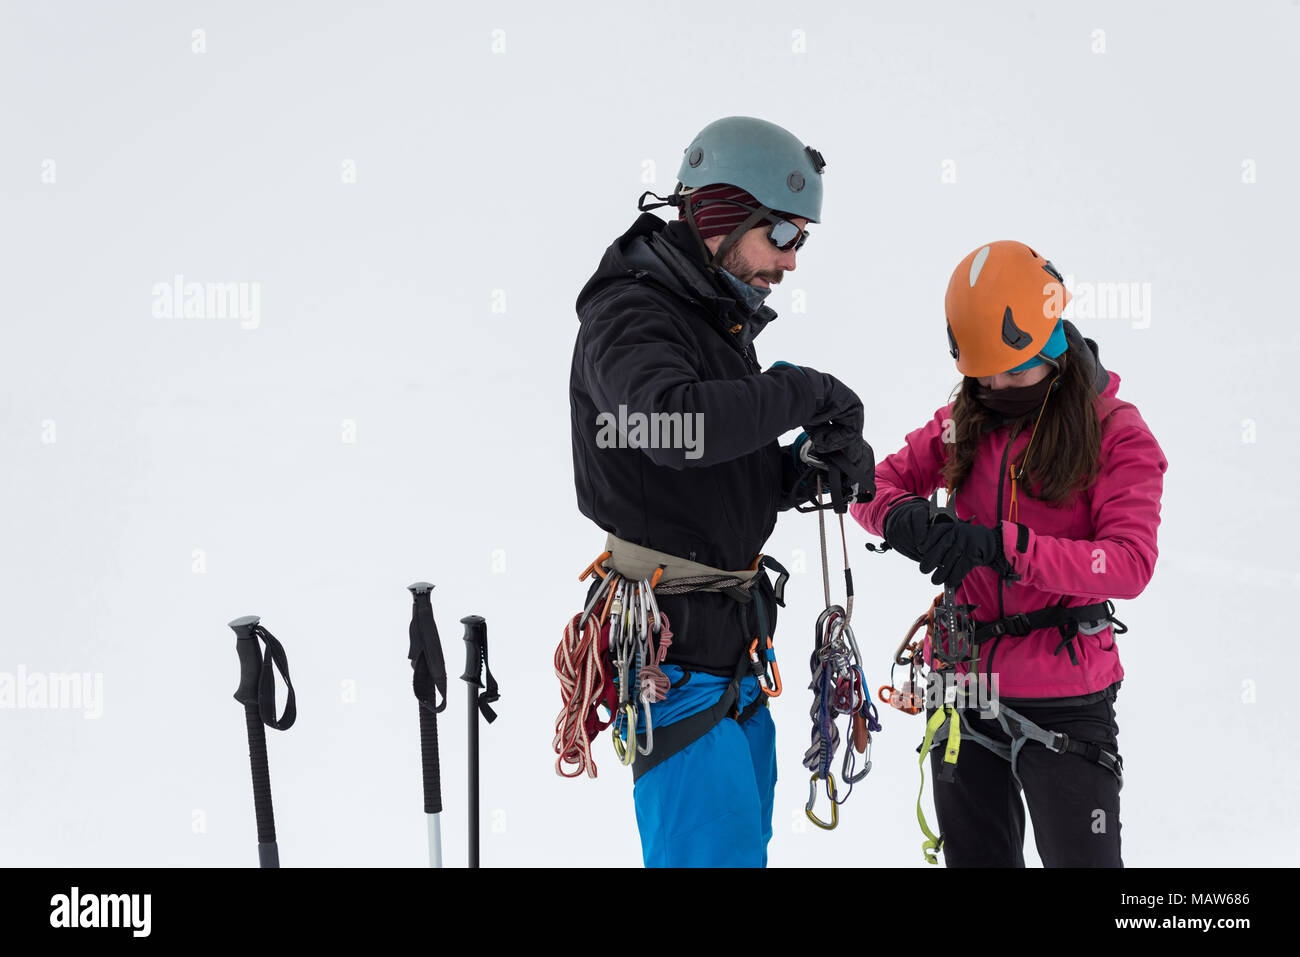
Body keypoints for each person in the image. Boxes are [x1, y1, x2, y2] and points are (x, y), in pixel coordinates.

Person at [568, 116, 873, 867]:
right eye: (783, 235)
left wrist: (808, 469)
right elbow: (672, 428)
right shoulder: (631, 313)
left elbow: (716, 477)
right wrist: (801, 391)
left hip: (727, 652)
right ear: (725, 213)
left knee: (739, 852)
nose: (791, 262)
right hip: (674, 660)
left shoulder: (711, 320)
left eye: (801, 240)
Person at [850, 241, 1167, 867]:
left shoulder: (1117, 434)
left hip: (1065, 696)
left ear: (1054, 351)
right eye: (982, 375)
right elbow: (871, 485)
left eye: (1014, 374)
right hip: (963, 689)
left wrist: (1005, 548)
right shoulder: (964, 420)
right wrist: (907, 517)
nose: (995, 389)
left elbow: (1128, 562)